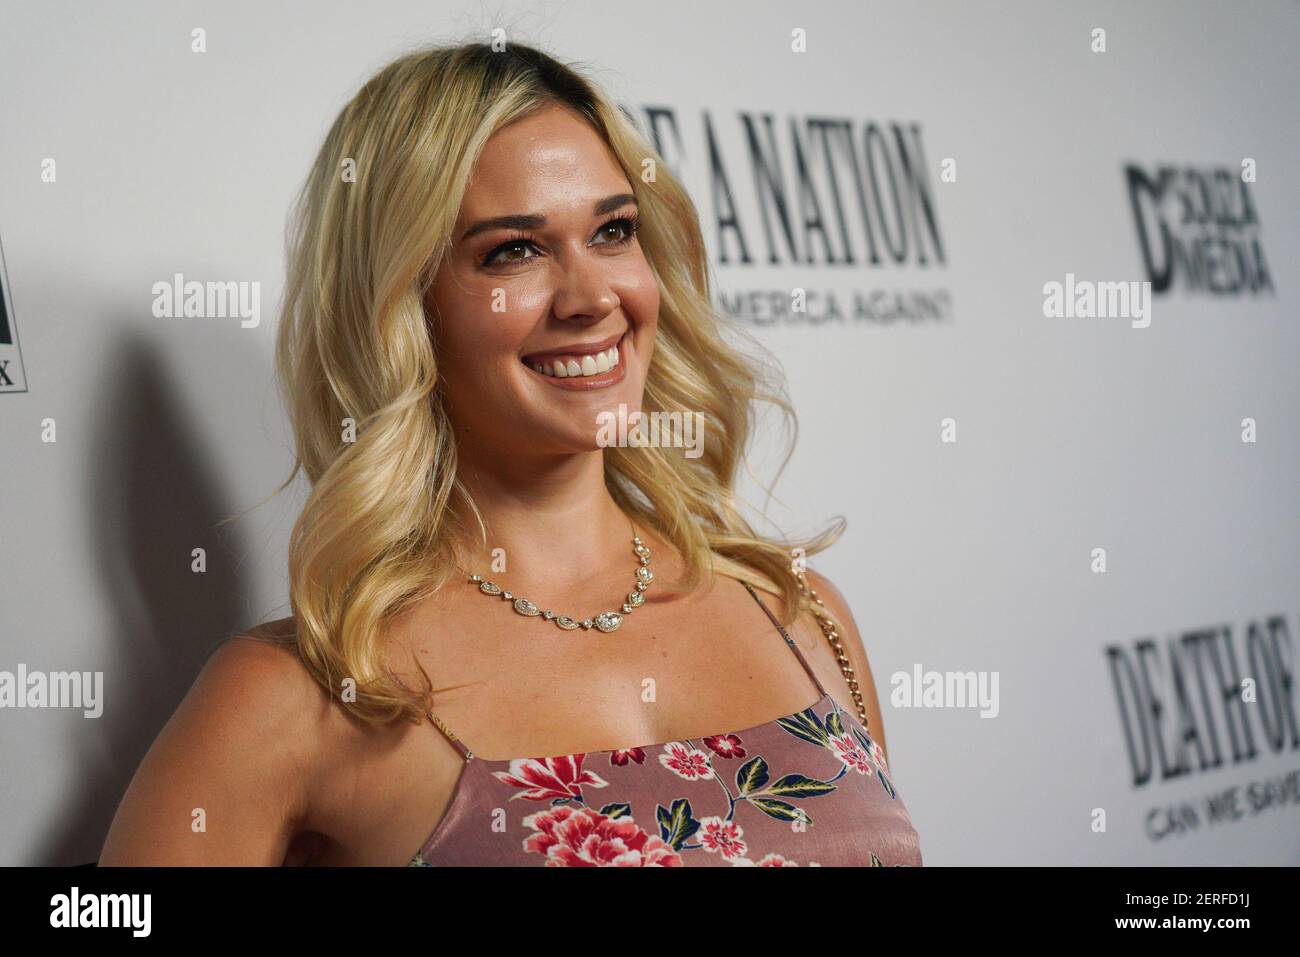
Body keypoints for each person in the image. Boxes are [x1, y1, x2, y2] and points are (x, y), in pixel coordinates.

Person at [99, 40, 922, 867]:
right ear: (403, 307)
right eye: (513, 250)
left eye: (613, 230)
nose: (593, 296)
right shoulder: (304, 696)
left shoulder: (802, 615)